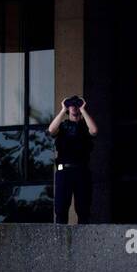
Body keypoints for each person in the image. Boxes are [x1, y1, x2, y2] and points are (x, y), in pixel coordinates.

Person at [48, 95, 97, 224]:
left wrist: (83, 110)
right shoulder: (62, 126)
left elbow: (94, 130)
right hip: (64, 171)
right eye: (71, 105)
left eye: (76, 105)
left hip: (81, 171)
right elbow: (51, 130)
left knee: (83, 210)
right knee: (61, 209)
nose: (74, 107)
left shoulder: (85, 127)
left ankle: (83, 242)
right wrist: (63, 109)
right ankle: (59, 241)